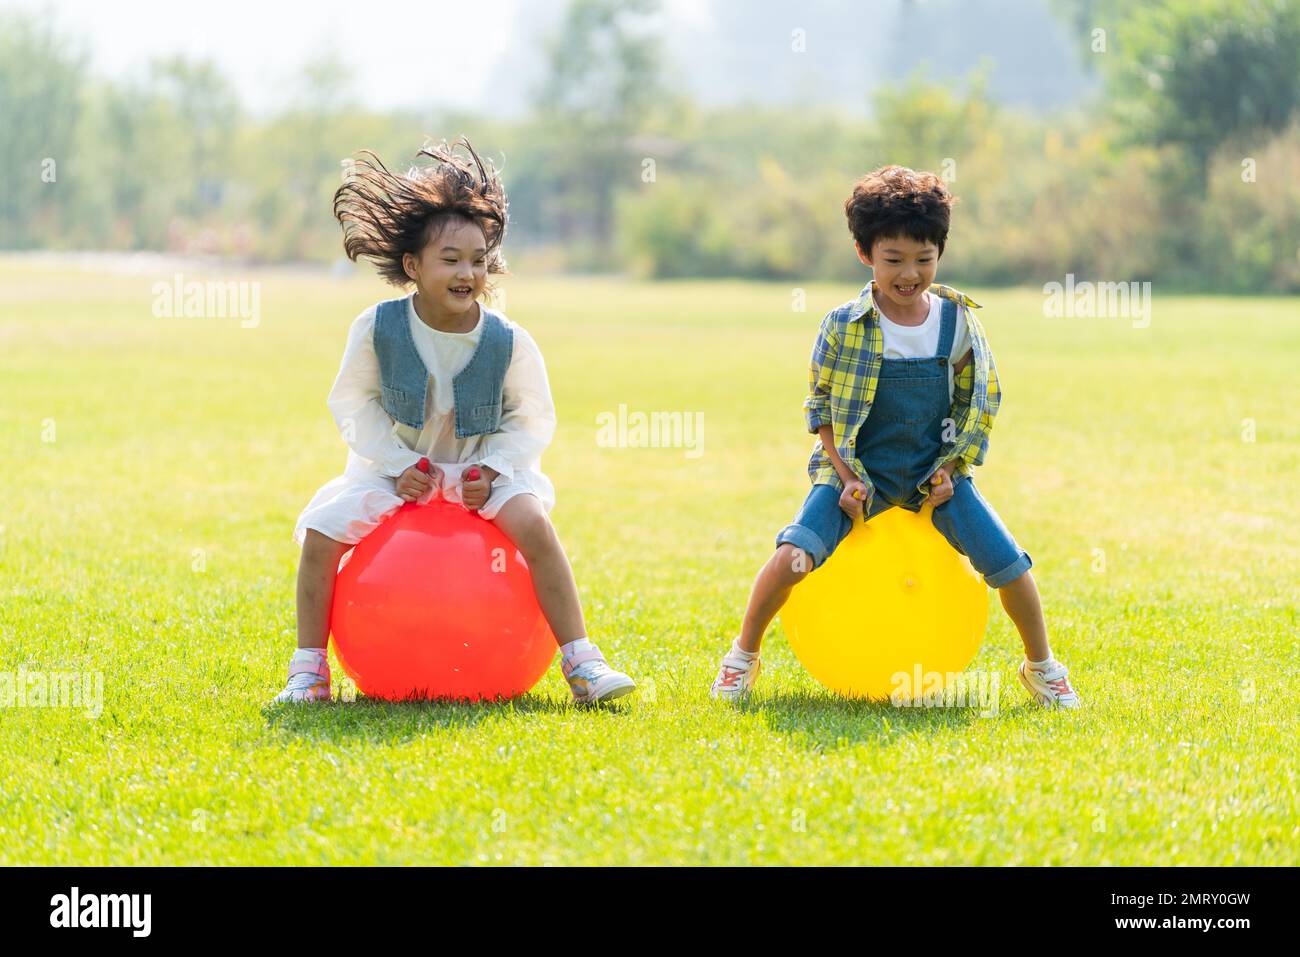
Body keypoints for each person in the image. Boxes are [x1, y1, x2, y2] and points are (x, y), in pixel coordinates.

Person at [273, 138, 635, 706]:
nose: (468, 272)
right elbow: (353, 403)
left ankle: (582, 663)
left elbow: (532, 418)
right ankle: (310, 671)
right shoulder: (376, 327)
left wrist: (493, 468)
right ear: (413, 266)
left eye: (479, 259)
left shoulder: (508, 341)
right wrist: (396, 466)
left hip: (479, 470)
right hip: (392, 469)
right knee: (320, 535)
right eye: (451, 260)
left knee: (536, 528)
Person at [710, 165, 1079, 709]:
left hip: (935, 475)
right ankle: (742, 656)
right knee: (794, 554)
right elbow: (823, 411)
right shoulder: (844, 325)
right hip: (856, 472)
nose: (910, 274)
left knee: (1009, 565)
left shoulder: (956, 323)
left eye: (923, 260)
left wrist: (950, 473)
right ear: (865, 253)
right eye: (894, 260)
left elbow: (979, 401)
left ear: (939, 253)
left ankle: (1041, 667)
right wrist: (846, 478)